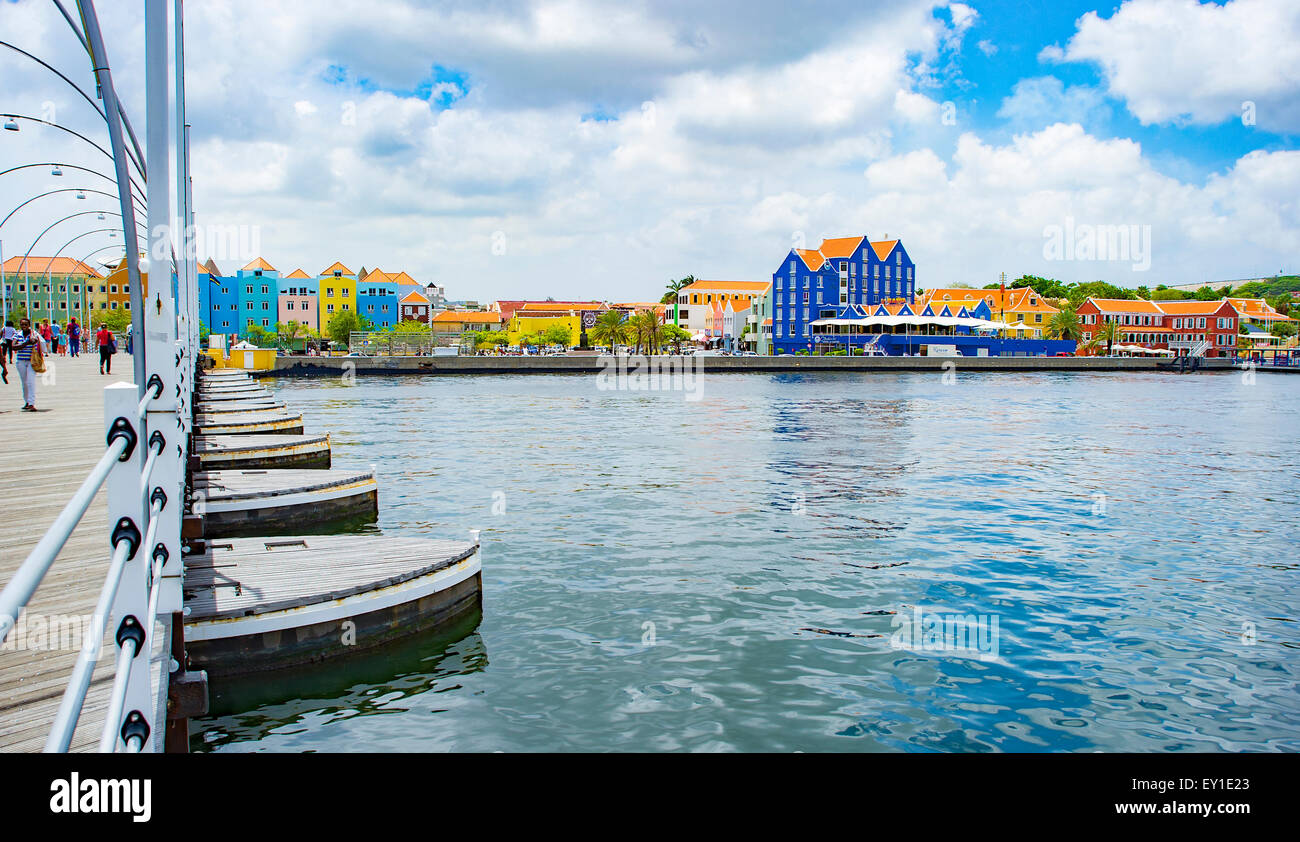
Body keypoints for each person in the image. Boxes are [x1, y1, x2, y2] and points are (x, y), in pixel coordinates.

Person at [13, 318, 46, 411]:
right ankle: (27, 401)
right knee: (24, 383)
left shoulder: (34, 334)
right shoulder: (17, 334)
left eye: (25, 325)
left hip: (32, 361)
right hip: (21, 361)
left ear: (29, 325)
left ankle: (31, 403)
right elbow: (13, 347)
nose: (24, 326)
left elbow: (39, 342)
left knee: (30, 382)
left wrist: (33, 342)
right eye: (22, 325)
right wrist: (27, 342)